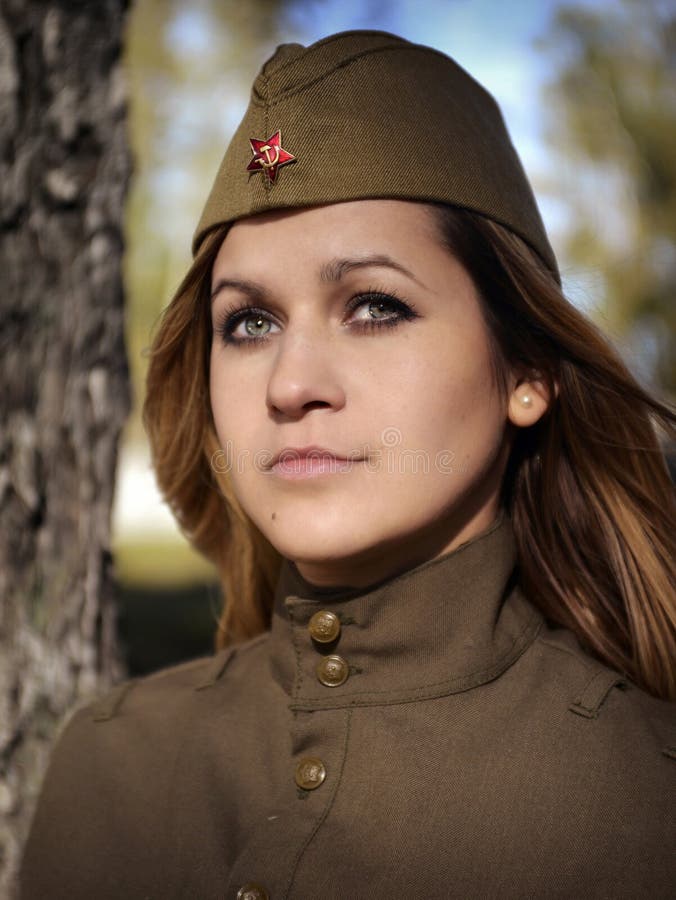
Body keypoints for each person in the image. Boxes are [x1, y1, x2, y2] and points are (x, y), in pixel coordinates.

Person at [19, 28, 675, 900]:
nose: (290, 385)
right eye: (249, 322)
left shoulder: (646, 798)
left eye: (374, 306)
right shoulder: (110, 764)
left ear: (527, 371)